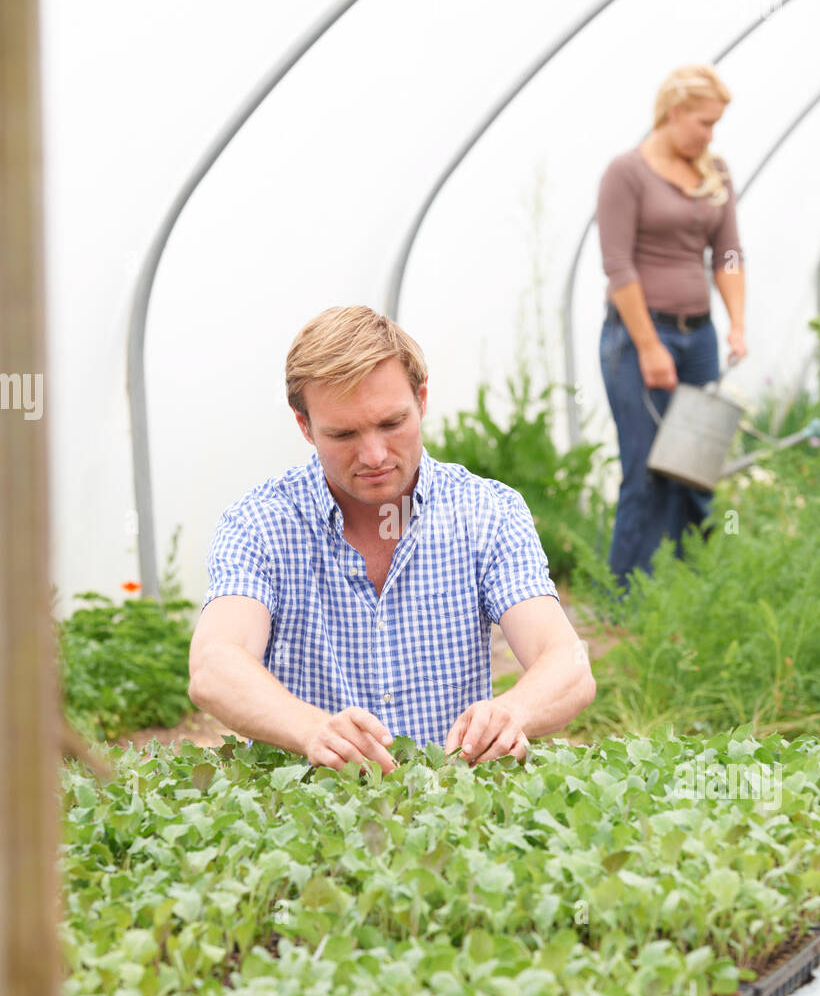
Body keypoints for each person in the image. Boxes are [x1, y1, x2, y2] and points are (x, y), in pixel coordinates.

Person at [189, 305, 595, 773]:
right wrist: (310, 729)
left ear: (421, 400)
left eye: (391, 423)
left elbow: (565, 662)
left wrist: (512, 713)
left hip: (453, 800)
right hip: (310, 812)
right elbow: (215, 665)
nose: (374, 454)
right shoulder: (260, 524)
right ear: (305, 427)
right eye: (343, 434)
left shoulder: (486, 512)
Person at [596, 63, 746, 594]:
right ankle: (627, 595)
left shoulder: (715, 173)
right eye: (705, 123)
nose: (711, 135)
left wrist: (736, 326)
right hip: (637, 339)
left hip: (699, 340)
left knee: (695, 464)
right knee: (647, 467)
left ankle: (689, 586)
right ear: (675, 112)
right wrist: (649, 346)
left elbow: (727, 254)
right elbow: (619, 267)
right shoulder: (626, 172)